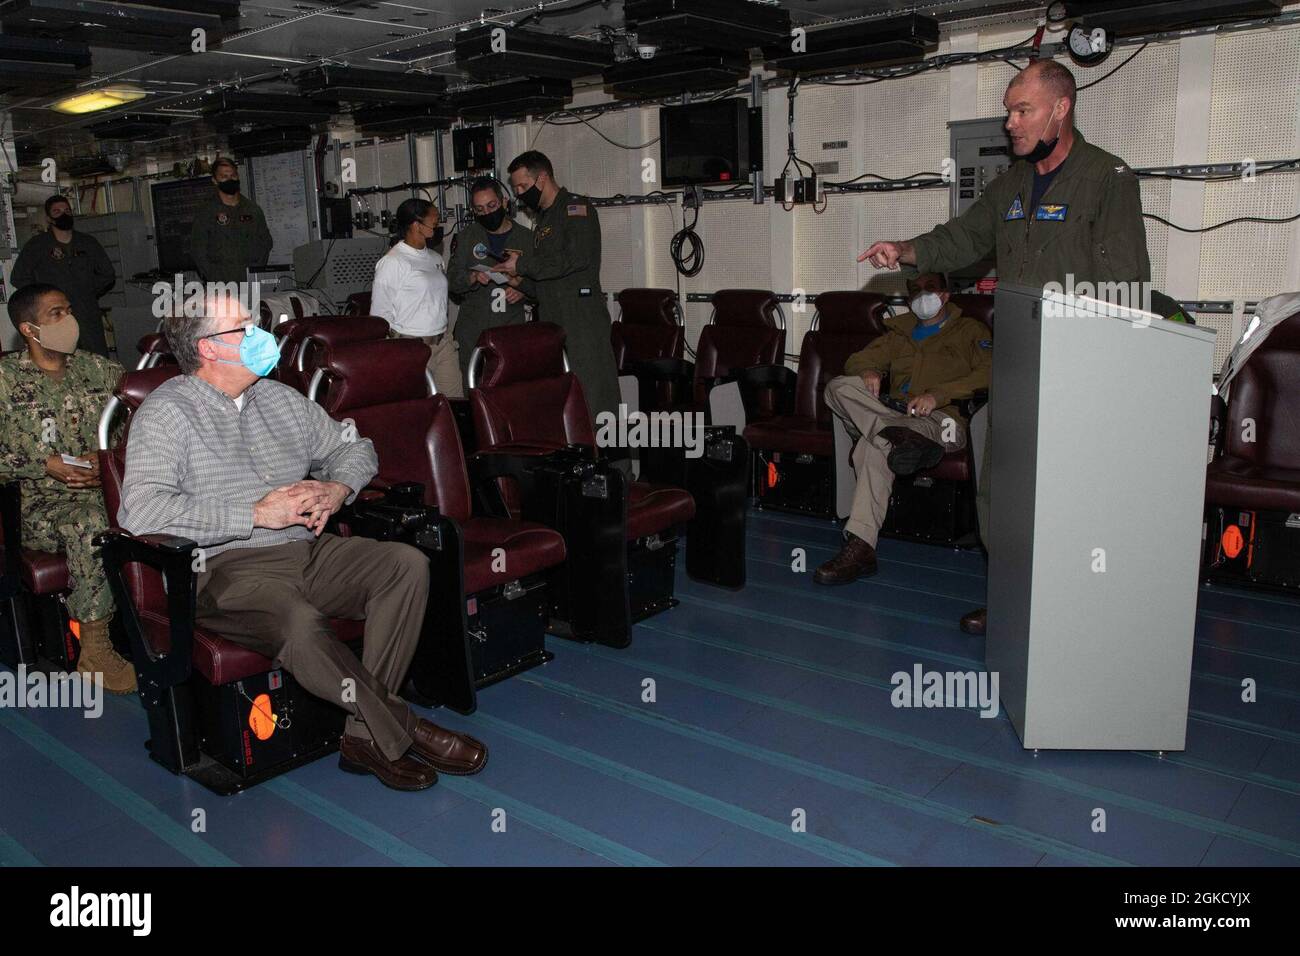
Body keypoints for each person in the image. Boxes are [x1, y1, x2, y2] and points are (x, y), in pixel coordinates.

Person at [118, 290, 487, 791]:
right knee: (298, 620)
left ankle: (363, 733)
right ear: (208, 348)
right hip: (226, 570)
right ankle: (403, 728)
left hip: (307, 549)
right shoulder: (166, 413)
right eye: (244, 329)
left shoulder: (279, 398)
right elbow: (140, 511)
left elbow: (354, 447)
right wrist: (253, 513)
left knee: (404, 564)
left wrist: (338, 488)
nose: (260, 336)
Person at [859, 59, 1150, 635]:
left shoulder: (1107, 178)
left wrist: (1110, 371)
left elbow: (1129, 288)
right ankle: (1015, 593)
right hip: (1018, 366)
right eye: (1008, 111)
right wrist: (907, 249)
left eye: (1024, 111)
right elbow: (962, 238)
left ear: (1061, 109)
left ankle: (1073, 603)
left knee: (1069, 495)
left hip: (1079, 369)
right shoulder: (1011, 184)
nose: (1010, 123)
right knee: (1002, 479)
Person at [815, 273, 991, 584]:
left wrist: (939, 395)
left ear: (946, 294)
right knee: (838, 387)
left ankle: (861, 546)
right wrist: (869, 370)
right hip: (895, 415)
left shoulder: (970, 331)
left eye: (931, 289)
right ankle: (893, 433)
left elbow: (990, 373)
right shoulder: (900, 332)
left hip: (942, 420)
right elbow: (858, 359)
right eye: (916, 290)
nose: (924, 295)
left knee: (874, 446)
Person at [0, 283, 134, 692]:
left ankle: (160, 627)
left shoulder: (100, 370)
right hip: (34, 507)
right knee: (91, 521)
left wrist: (107, 457)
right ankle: (94, 649)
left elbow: (139, 431)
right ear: (28, 329)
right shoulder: (4, 382)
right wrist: (44, 465)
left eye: (69, 309)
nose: (69, 320)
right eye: (57, 313)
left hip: (105, 489)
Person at [497, 151, 622, 440]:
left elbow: (575, 259)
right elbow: (547, 283)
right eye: (515, 188)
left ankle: (615, 473)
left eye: (521, 186)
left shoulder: (575, 208)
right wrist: (518, 280)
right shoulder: (543, 221)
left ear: (542, 178)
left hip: (581, 321)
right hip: (554, 321)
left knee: (595, 398)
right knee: (566, 403)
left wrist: (524, 264)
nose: (518, 194)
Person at [370, 198, 463, 398]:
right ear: (416, 225)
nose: (439, 228)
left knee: (454, 406)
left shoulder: (436, 258)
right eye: (435, 223)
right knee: (418, 409)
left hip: (442, 343)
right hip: (411, 347)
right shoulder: (393, 262)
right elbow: (379, 314)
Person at [447, 177, 535, 377]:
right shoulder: (466, 237)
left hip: (510, 329)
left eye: (491, 205)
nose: (487, 213)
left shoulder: (527, 239)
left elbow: (542, 283)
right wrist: (472, 277)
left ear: (504, 202)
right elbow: (452, 280)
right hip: (473, 332)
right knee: (474, 392)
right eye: (479, 210)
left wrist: (524, 291)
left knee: (510, 390)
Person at [11, 195, 117, 357]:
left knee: (95, 356)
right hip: (53, 317)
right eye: (57, 211)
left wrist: (87, 291)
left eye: (67, 210)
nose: (63, 214)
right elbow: (18, 278)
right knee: (59, 357)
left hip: (86, 312)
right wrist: (42, 300)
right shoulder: (37, 245)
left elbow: (107, 274)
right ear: (49, 218)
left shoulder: (87, 243)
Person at [188, 157, 273, 284]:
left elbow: (265, 243)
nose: (230, 179)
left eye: (233, 175)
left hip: (250, 281)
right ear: (215, 180)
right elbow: (198, 250)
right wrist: (215, 279)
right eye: (224, 176)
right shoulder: (206, 212)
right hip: (220, 285)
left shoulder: (253, 210)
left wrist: (256, 273)